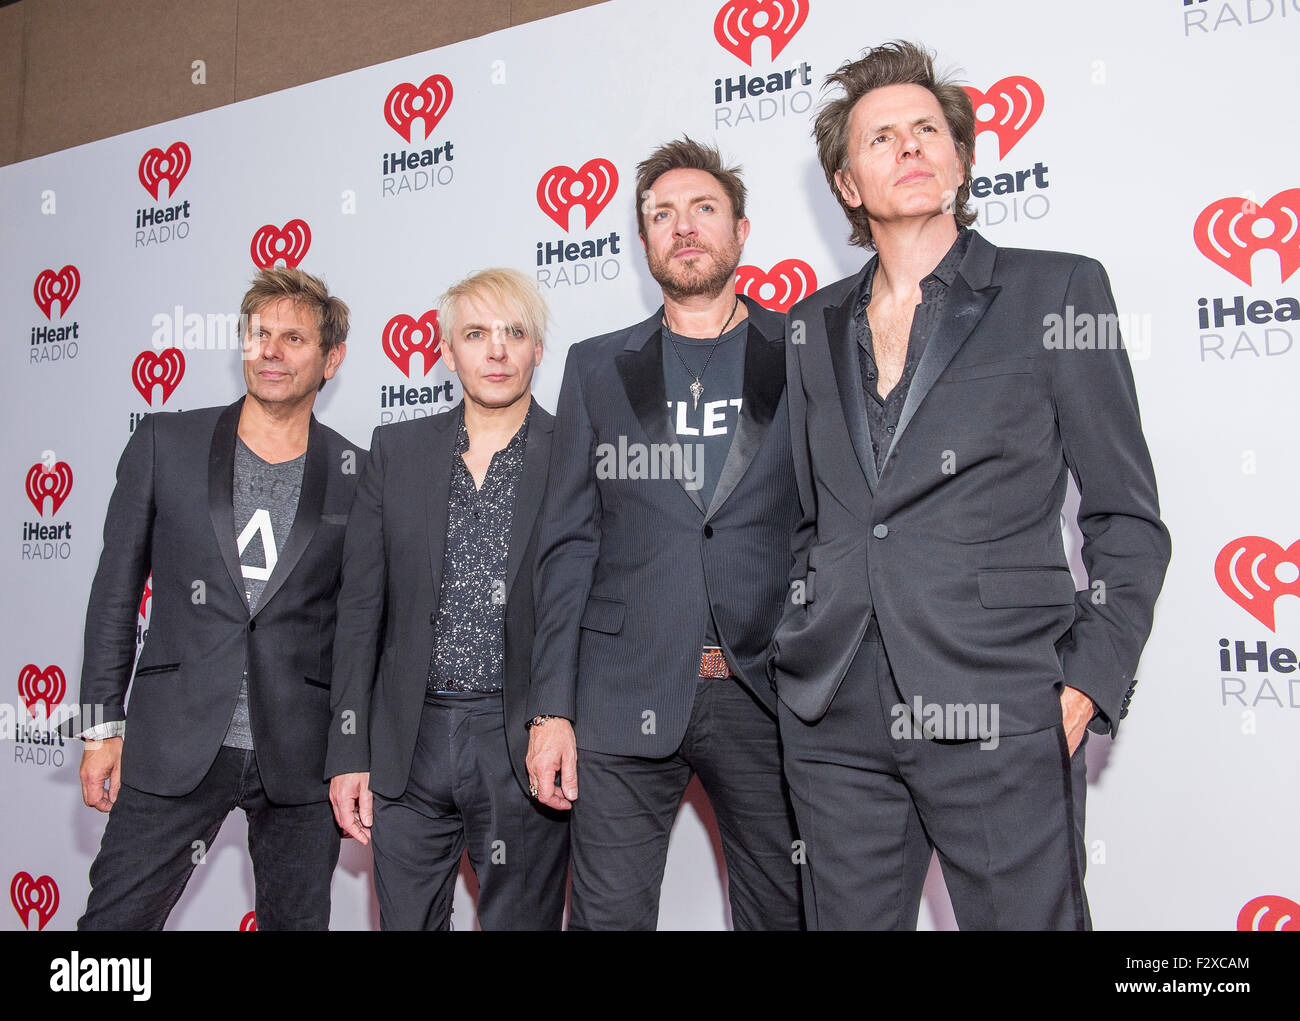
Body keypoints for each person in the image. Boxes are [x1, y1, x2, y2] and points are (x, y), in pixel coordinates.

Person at [771, 40, 1171, 930]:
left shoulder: (1056, 289)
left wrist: (1086, 681)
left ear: (959, 158)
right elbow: (816, 518)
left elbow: (1126, 515)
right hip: (834, 708)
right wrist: (800, 639)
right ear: (846, 184)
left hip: (1002, 700)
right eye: (881, 138)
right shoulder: (809, 326)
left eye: (927, 130)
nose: (910, 147)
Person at [528, 138, 803, 930]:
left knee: (784, 912)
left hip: (767, 689)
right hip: (620, 690)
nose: (683, 228)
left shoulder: (803, 353)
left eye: (703, 210)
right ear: (644, 241)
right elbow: (569, 541)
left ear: (742, 232)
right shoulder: (595, 366)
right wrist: (552, 708)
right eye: (662, 215)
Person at [71, 267, 362, 930]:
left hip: (300, 759)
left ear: (331, 358)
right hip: (172, 740)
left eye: (293, 338)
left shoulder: (358, 473)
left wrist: (355, 752)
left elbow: (360, 627)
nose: (270, 350)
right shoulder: (164, 444)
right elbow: (115, 590)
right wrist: (100, 727)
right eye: (259, 334)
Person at [326, 268, 568, 930]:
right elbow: (359, 611)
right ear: (445, 351)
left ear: (538, 350)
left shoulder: (575, 449)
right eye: (476, 333)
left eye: (514, 332)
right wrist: (348, 749)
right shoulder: (396, 450)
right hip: (408, 740)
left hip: (521, 739)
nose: (496, 349)